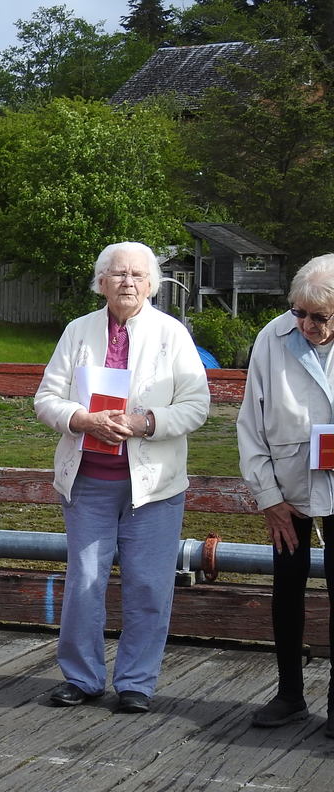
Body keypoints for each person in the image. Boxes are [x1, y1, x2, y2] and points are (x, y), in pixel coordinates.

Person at [35, 241, 209, 714]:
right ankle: (83, 677)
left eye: (137, 275)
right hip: (88, 479)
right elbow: (47, 398)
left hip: (152, 484)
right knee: (85, 581)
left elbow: (196, 406)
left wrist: (144, 423)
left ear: (151, 284)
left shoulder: (172, 334)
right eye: (117, 274)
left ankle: (136, 681)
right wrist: (82, 419)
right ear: (101, 282)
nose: (127, 282)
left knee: (149, 584)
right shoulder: (78, 331)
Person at [237, 254, 334, 736]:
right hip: (287, 486)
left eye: (320, 317)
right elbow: (250, 424)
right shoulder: (272, 337)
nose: (307, 325)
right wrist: (267, 495)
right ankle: (290, 694)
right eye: (299, 313)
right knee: (286, 589)